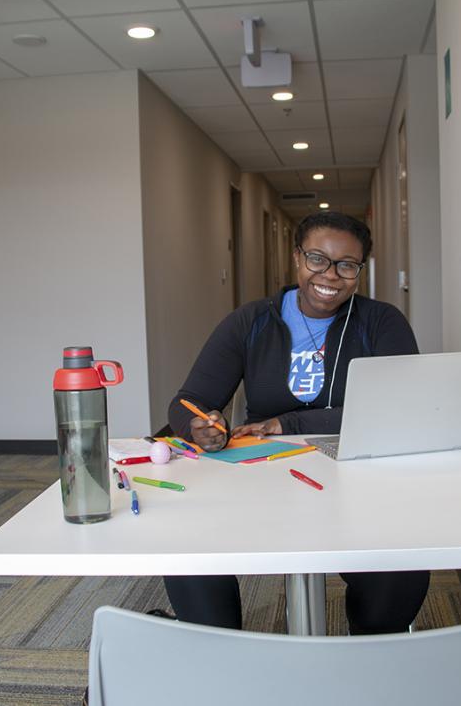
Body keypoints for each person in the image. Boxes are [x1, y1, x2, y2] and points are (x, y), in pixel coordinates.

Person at [165, 211, 430, 635]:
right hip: (262, 480)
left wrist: (286, 423)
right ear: (296, 258)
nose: (330, 275)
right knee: (188, 552)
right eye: (317, 259)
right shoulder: (251, 322)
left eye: (347, 265)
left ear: (360, 271)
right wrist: (199, 425)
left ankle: (373, 651)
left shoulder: (382, 323)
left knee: (401, 569)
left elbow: (402, 408)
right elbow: (187, 402)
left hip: (358, 480)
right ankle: (214, 648)